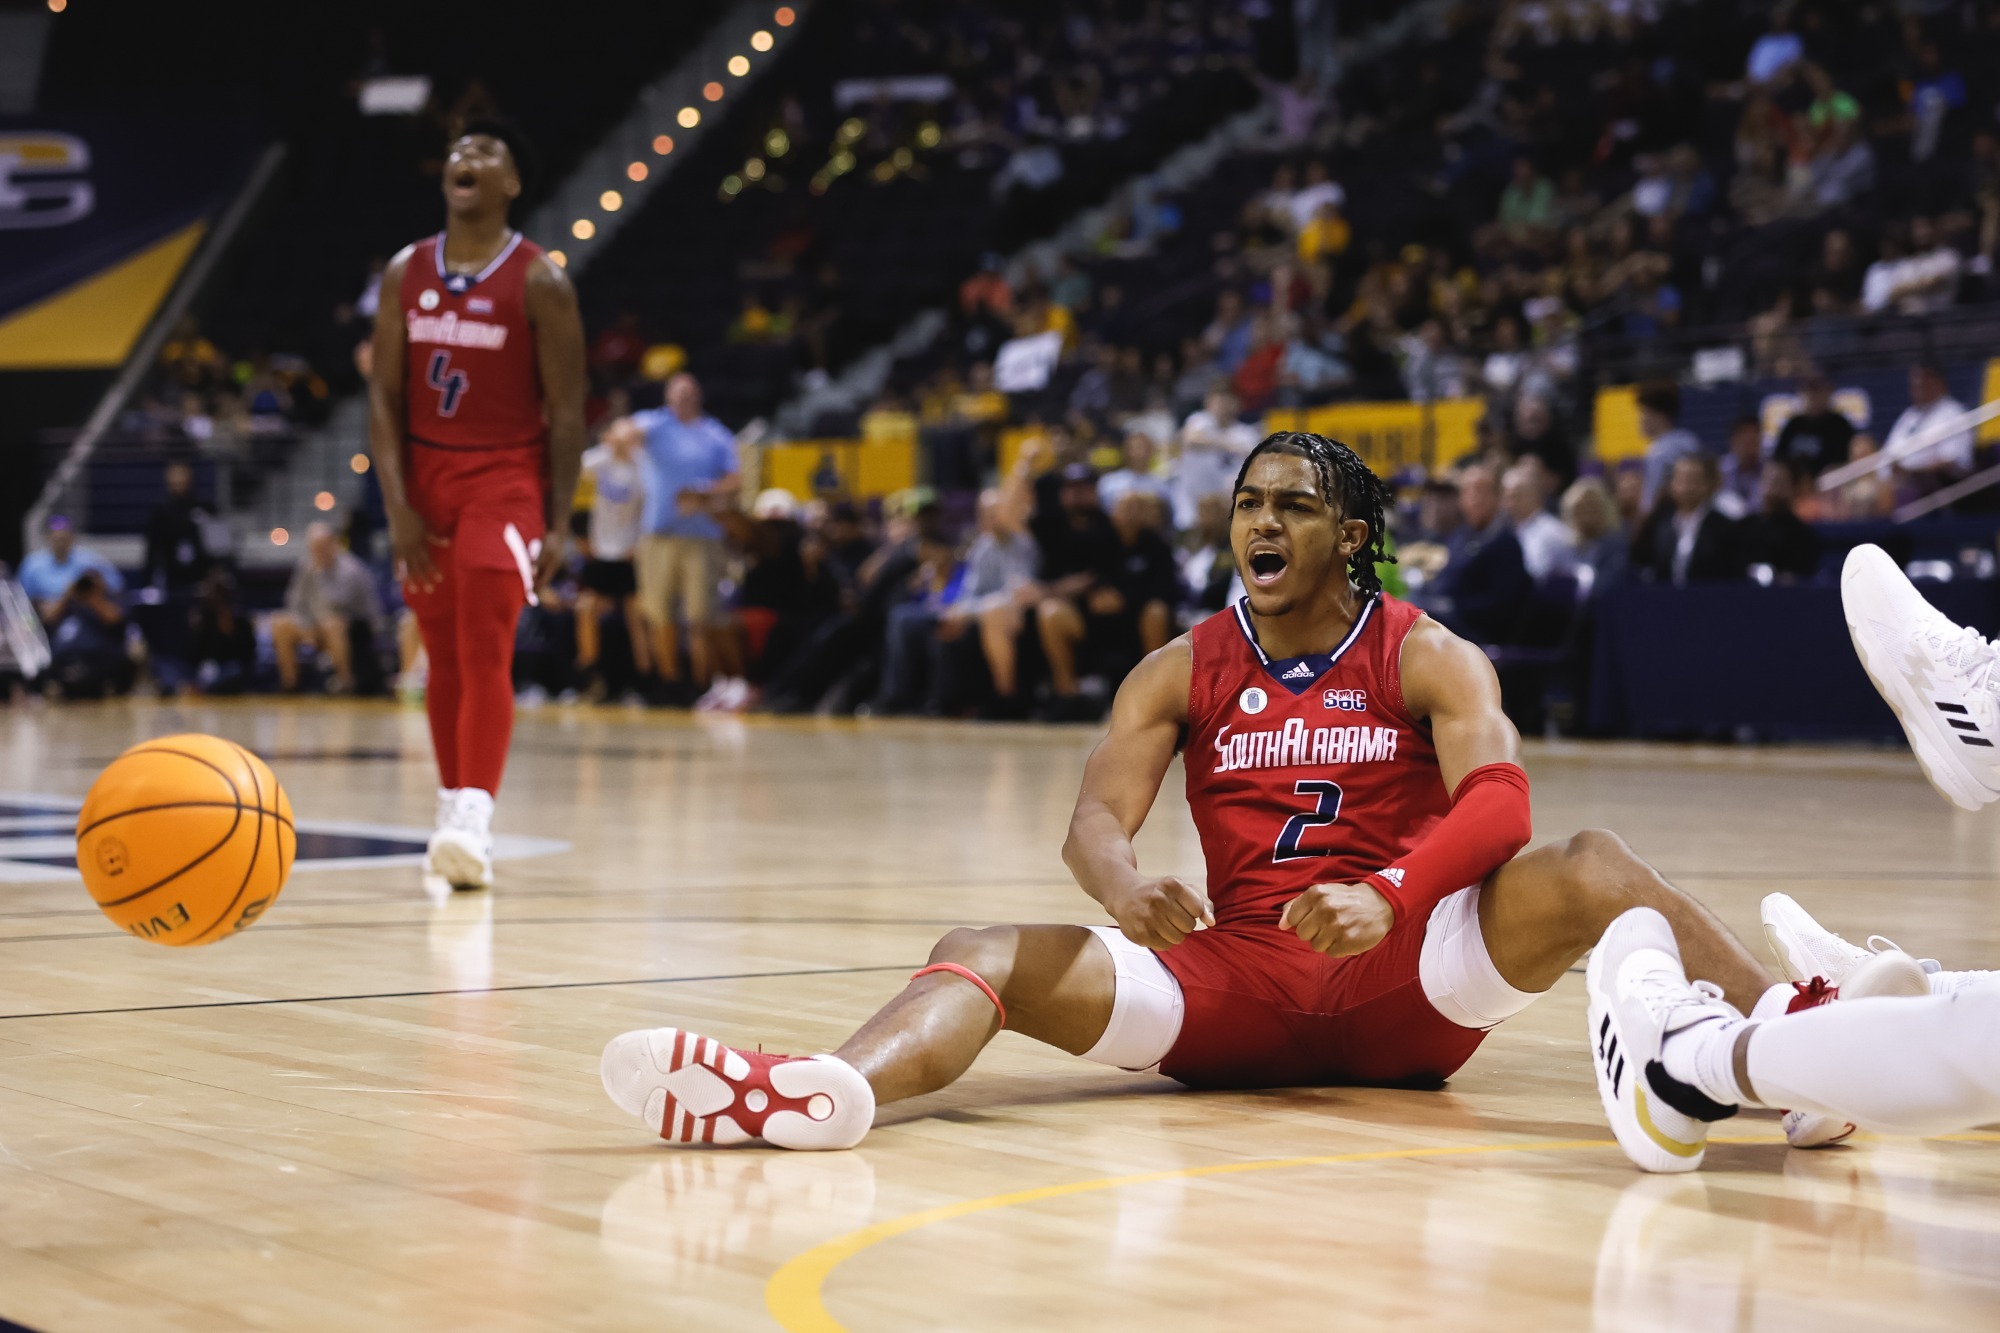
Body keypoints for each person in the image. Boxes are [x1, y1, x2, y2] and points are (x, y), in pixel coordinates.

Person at [598, 432, 1932, 1159]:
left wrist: (1393, 891)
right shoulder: (1179, 665)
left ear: (1348, 533)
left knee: (1590, 859)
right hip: (1229, 985)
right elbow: (1092, 818)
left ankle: (1798, 1046)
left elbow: (1499, 808)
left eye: (1290, 503)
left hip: (1417, 971)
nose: (1259, 521)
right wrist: (1127, 886)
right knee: (981, 947)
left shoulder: (1424, 649)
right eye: (1246, 503)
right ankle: (827, 1088)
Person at [367, 118, 587, 890]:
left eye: (488, 151)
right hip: (425, 480)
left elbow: (568, 412)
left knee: (486, 640)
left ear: (511, 183)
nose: (468, 156)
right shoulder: (406, 270)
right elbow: (383, 396)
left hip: (505, 479)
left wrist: (558, 520)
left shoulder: (540, 281)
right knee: (444, 652)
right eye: (461, 149)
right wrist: (397, 505)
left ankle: (474, 814)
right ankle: (452, 803)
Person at [631, 373, 739, 702]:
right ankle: (668, 682)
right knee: (658, 613)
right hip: (659, 535)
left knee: (701, 615)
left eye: (689, 394)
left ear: (699, 396)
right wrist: (619, 436)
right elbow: (625, 432)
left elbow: (735, 479)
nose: (684, 399)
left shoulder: (715, 434)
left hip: (702, 537)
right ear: (668, 397)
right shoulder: (654, 425)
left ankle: (702, 683)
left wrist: (704, 493)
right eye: (678, 394)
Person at [574, 416, 651, 696]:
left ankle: (646, 678)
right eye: (618, 434)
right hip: (602, 551)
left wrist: (640, 545)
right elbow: (574, 476)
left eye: (629, 436)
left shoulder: (643, 467)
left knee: (637, 616)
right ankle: (590, 673)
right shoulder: (598, 461)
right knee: (586, 609)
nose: (623, 440)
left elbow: (651, 509)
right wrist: (581, 537)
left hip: (630, 553)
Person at [1418, 463, 1530, 643]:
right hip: (1446, 621)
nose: (1474, 498)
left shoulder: (1505, 543)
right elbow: (1444, 581)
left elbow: (1502, 606)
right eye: (1467, 491)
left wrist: (1453, 606)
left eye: (1480, 491)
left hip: (1478, 633)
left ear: (1497, 497)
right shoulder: (1459, 536)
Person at [270, 522, 382, 694]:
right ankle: (290, 684)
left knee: (332, 623)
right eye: (314, 548)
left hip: (357, 625)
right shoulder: (306, 566)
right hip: (318, 624)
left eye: (322, 547)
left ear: (333, 544)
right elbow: (294, 602)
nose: (317, 553)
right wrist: (306, 627)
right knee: (280, 623)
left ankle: (346, 682)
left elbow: (336, 605)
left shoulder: (350, 568)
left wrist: (319, 575)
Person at [1633, 454, 1744, 586]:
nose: (1686, 486)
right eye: (1681, 479)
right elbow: (1643, 562)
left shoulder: (1724, 527)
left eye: (1693, 480)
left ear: (1707, 484)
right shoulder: (1660, 523)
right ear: (1671, 484)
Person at [1882, 363, 1972, 492]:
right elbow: (1888, 453)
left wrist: (1910, 472)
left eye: (1923, 383)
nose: (1917, 388)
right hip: (1894, 483)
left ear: (1939, 383)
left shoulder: (1953, 413)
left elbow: (1951, 462)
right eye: (1914, 384)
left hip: (1930, 488)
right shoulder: (1909, 415)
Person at [18, 516, 123, 625]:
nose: (60, 544)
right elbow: (22, 599)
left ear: (72, 537)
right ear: (48, 537)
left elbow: (116, 587)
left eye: (64, 539)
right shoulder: (32, 564)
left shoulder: (91, 561)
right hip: (47, 615)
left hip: (85, 612)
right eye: (57, 539)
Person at [1737, 461, 1820, 581]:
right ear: (1760, 485)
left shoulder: (1803, 534)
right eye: (1770, 482)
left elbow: (1804, 573)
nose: (1775, 489)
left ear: (1791, 488)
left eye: (1781, 483)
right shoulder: (1744, 528)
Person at [142, 460, 213, 594]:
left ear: (190, 480)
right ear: (167, 482)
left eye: (182, 477)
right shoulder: (161, 514)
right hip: (172, 579)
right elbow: (152, 551)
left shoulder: (205, 509)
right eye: (175, 478)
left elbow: (215, 548)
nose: (178, 482)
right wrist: (149, 584)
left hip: (201, 579)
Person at [1772, 372, 1854, 479]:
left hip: (1831, 484)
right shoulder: (1793, 425)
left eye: (1817, 388)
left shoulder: (1840, 425)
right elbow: (1777, 461)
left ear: (1828, 391)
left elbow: (1852, 462)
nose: (1812, 395)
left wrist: (1838, 470)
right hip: (1796, 485)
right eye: (1807, 388)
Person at [1499, 460, 1572, 580]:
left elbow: (1537, 576)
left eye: (1515, 496)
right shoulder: (1506, 529)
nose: (1509, 503)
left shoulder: (1552, 532)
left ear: (1534, 495)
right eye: (1506, 496)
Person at [1636, 381, 1702, 512]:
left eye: (1645, 412)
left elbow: (1650, 503)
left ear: (1660, 415)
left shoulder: (1658, 452)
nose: (1640, 419)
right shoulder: (1689, 439)